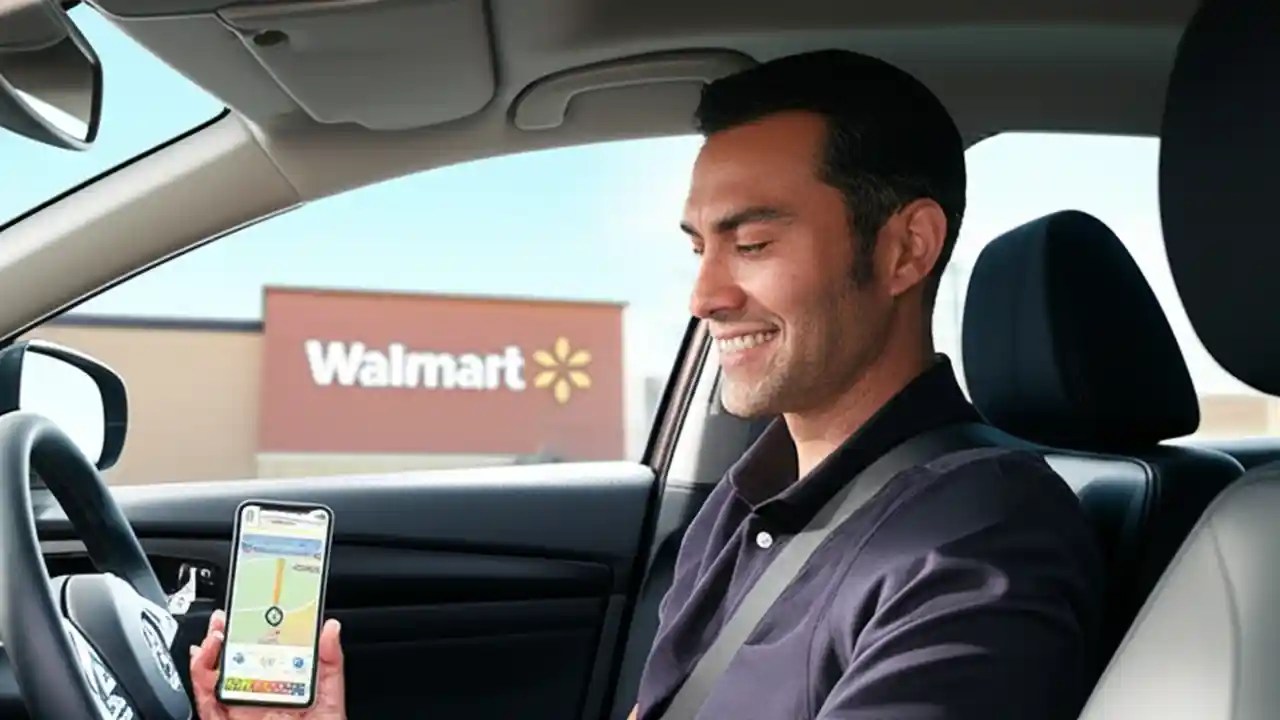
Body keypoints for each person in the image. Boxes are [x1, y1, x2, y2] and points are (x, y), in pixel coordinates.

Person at [190, 49, 1104, 720]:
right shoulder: (749, 502)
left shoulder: (983, 543)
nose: (706, 295)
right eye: (700, 247)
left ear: (906, 247)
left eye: (752, 243)